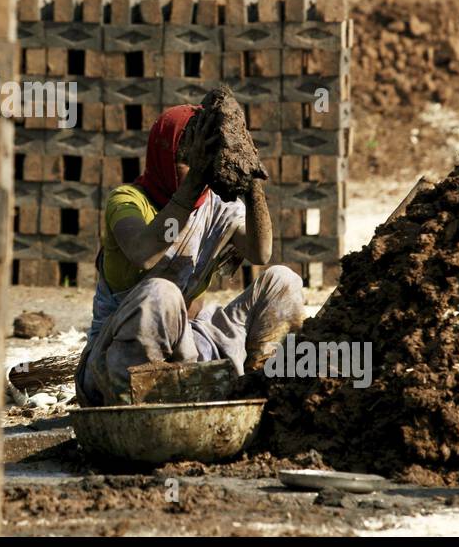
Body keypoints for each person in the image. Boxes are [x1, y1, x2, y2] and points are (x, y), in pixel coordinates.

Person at [75, 104, 307, 407]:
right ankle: (140, 408)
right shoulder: (128, 200)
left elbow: (260, 252)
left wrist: (254, 189)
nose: (201, 171)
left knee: (283, 281)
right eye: (187, 162)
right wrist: (194, 179)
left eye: (205, 162)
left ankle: (264, 393)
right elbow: (144, 254)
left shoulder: (217, 207)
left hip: (188, 346)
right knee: (161, 291)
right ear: (163, 158)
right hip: (115, 359)